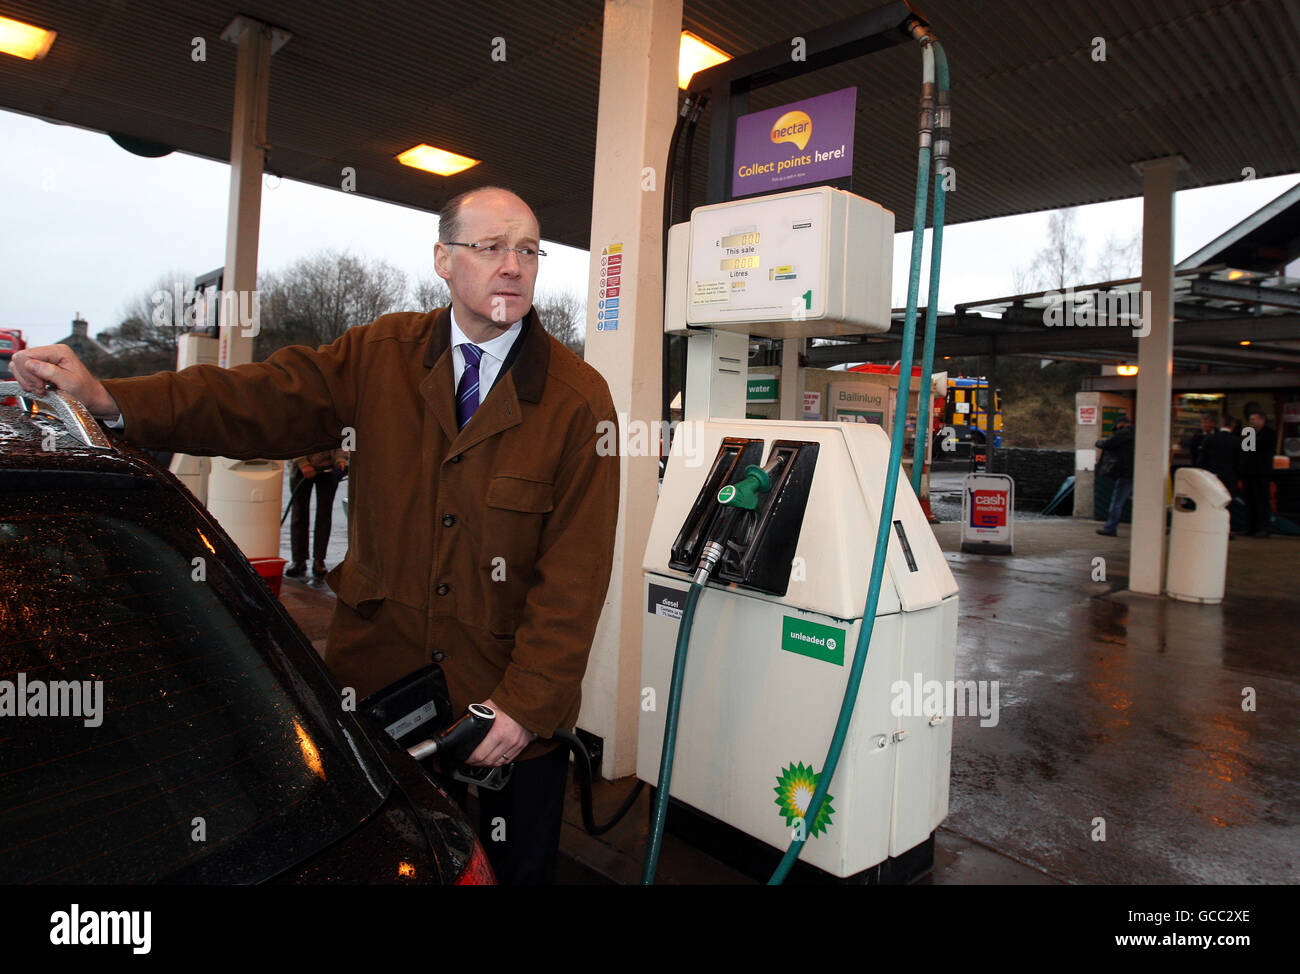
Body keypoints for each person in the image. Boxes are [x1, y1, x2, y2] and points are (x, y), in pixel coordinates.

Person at [9, 186, 620, 885]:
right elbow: (253, 399)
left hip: (505, 711)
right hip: (382, 695)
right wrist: (115, 399)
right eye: (489, 247)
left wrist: (525, 706)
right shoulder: (380, 355)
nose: (511, 266)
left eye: (526, 250)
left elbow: (576, 574)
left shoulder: (577, 401)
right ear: (443, 260)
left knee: (513, 871)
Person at [286, 447, 348, 578]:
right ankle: (298, 560)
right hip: (300, 468)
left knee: (324, 514)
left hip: (328, 469)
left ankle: (319, 559)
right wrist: (303, 463)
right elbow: (291, 439)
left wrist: (341, 459)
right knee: (299, 514)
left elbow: (342, 437)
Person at [1195, 415, 1241, 538]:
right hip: (1230, 476)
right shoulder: (1237, 441)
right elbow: (1241, 461)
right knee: (1227, 504)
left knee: (1211, 502)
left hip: (1212, 476)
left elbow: (1201, 460)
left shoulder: (1209, 439)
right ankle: (1226, 529)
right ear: (1233, 426)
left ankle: (1210, 527)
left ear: (1220, 425)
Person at [1095, 414, 1135, 536]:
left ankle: (1110, 527)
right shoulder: (1137, 433)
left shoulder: (1124, 433)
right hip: (1138, 472)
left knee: (1117, 501)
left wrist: (1098, 442)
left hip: (1126, 473)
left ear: (1120, 424)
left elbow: (1107, 444)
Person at [1241, 404, 1277, 538]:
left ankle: (1263, 528)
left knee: (1261, 500)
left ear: (1262, 420)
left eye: (1254, 419)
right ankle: (1250, 527)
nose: (1252, 422)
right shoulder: (1249, 432)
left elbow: (1259, 449)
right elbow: (1245, 450)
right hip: (1249, 472)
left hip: (1262, 472)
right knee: (1250, 501)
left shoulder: (1269, 433)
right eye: (1251, 420)